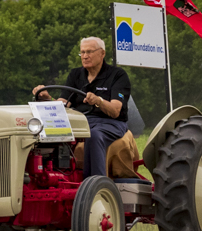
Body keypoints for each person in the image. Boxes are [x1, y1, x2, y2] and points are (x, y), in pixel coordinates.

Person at [34, 37, 132, 180]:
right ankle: (52, 177)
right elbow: (64, 103)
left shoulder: (117, 75)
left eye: (89, 52)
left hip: (110, 123)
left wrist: (98, 101)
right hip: (81, 122)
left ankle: (96, 183)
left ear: (102, 53)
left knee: (93, 135)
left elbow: (115, 111)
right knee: (47, 133)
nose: (85, 56)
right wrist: (47, 98)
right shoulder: (75, 75)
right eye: (82, 53)